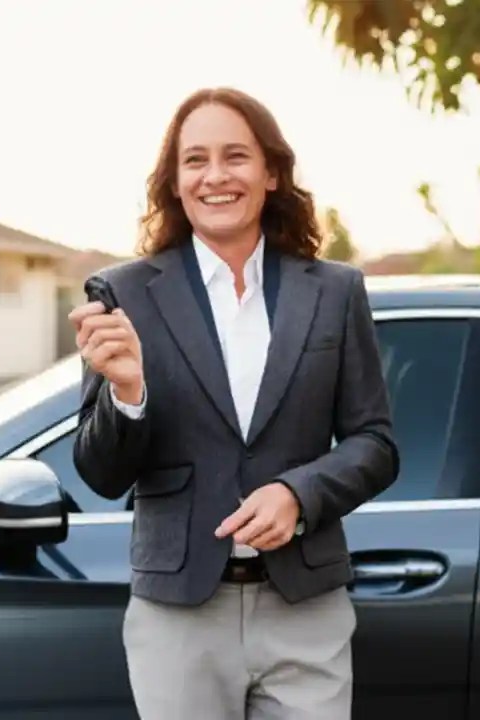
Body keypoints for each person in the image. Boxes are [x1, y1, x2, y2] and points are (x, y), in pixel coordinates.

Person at [68, 86, 399, 719]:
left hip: (305, 608)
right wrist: (128, 393)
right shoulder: (124, 294)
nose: (215, 176)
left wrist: (300, 494)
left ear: (271, 172)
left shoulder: (335, 291)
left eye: (235, 157)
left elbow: (375, 444)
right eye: (195, 160)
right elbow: (101, 474)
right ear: (174, 180)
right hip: (180, 618)